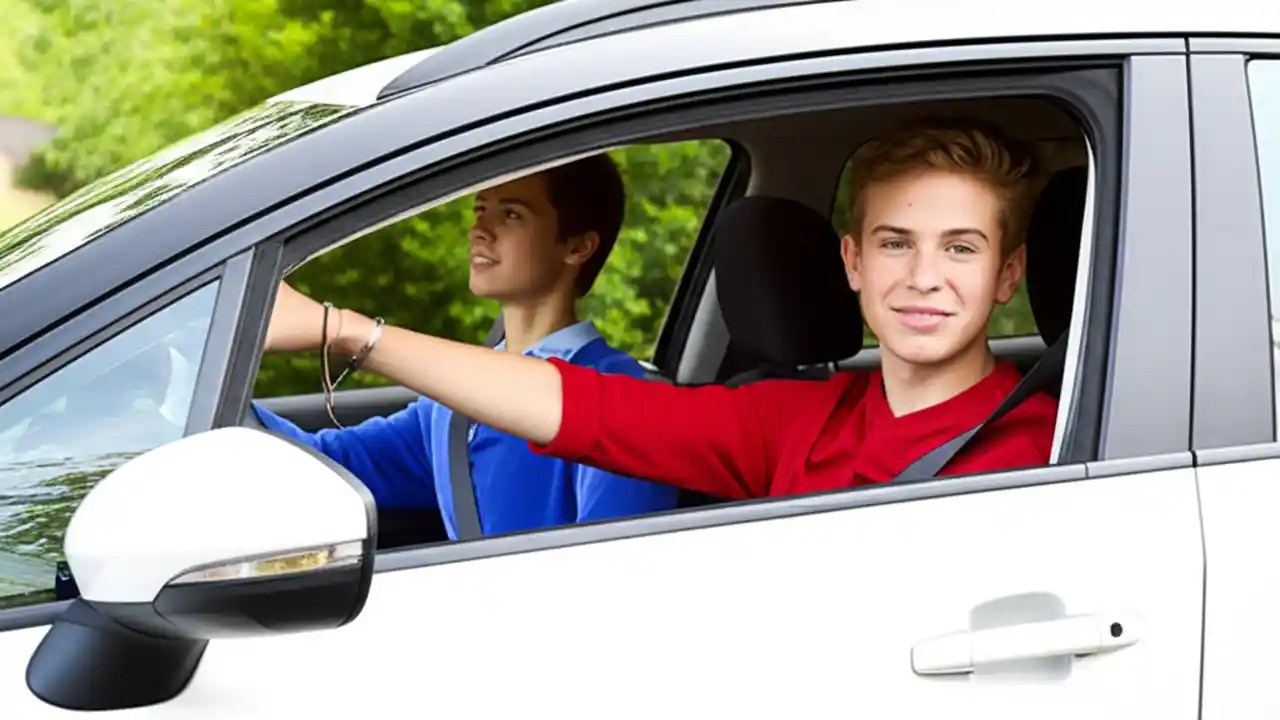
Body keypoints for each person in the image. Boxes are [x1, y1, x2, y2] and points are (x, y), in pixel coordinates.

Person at [263, 118, 1058, 504]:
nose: (923, 277)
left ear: (1005, 274)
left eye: (959, 248)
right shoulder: (791, 421)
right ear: (852, 262)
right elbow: (584, 409)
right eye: (894, 244)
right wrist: (341, 331)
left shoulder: (1065, 445)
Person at [255, 154, 679, 538]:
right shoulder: (453, 405)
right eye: (480, 211)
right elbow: (319, 464)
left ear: (577, 247)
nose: (480, 231)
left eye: (511, 215)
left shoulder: (624, 401)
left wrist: (333, 326)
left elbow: (621, 567)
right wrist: (194, 376)